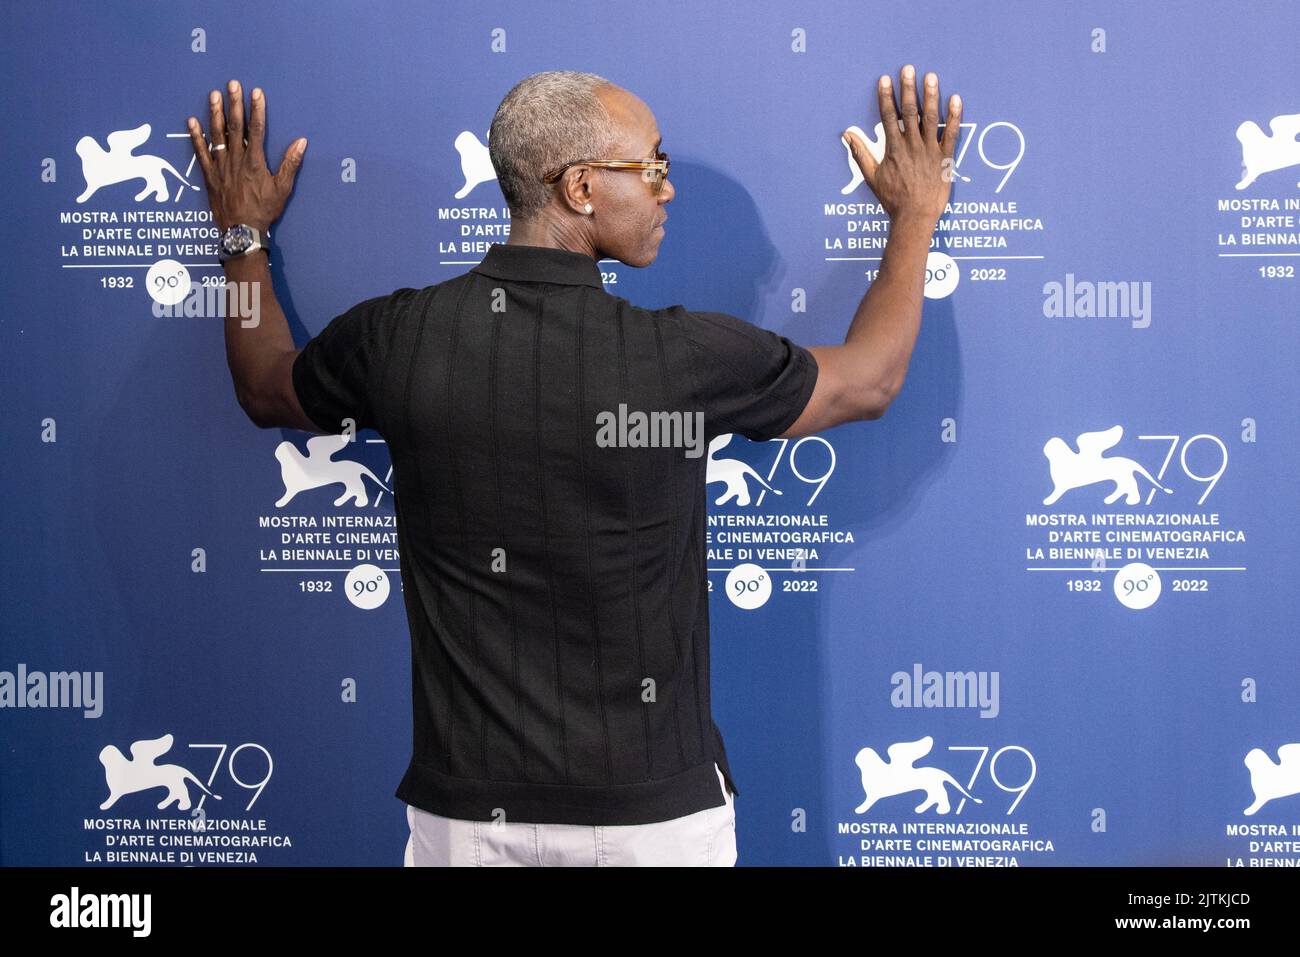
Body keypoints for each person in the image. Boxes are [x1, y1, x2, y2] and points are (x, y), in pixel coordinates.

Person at [187, 65, 960, 866]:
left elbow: (263, 385)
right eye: (652, 166)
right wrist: (915, 216)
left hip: (465, 825)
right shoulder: (684, 357)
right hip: (654, 826)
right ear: (582, 188)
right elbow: (869, 380)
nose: (666, 191)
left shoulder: (398, 339)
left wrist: (241, 240)